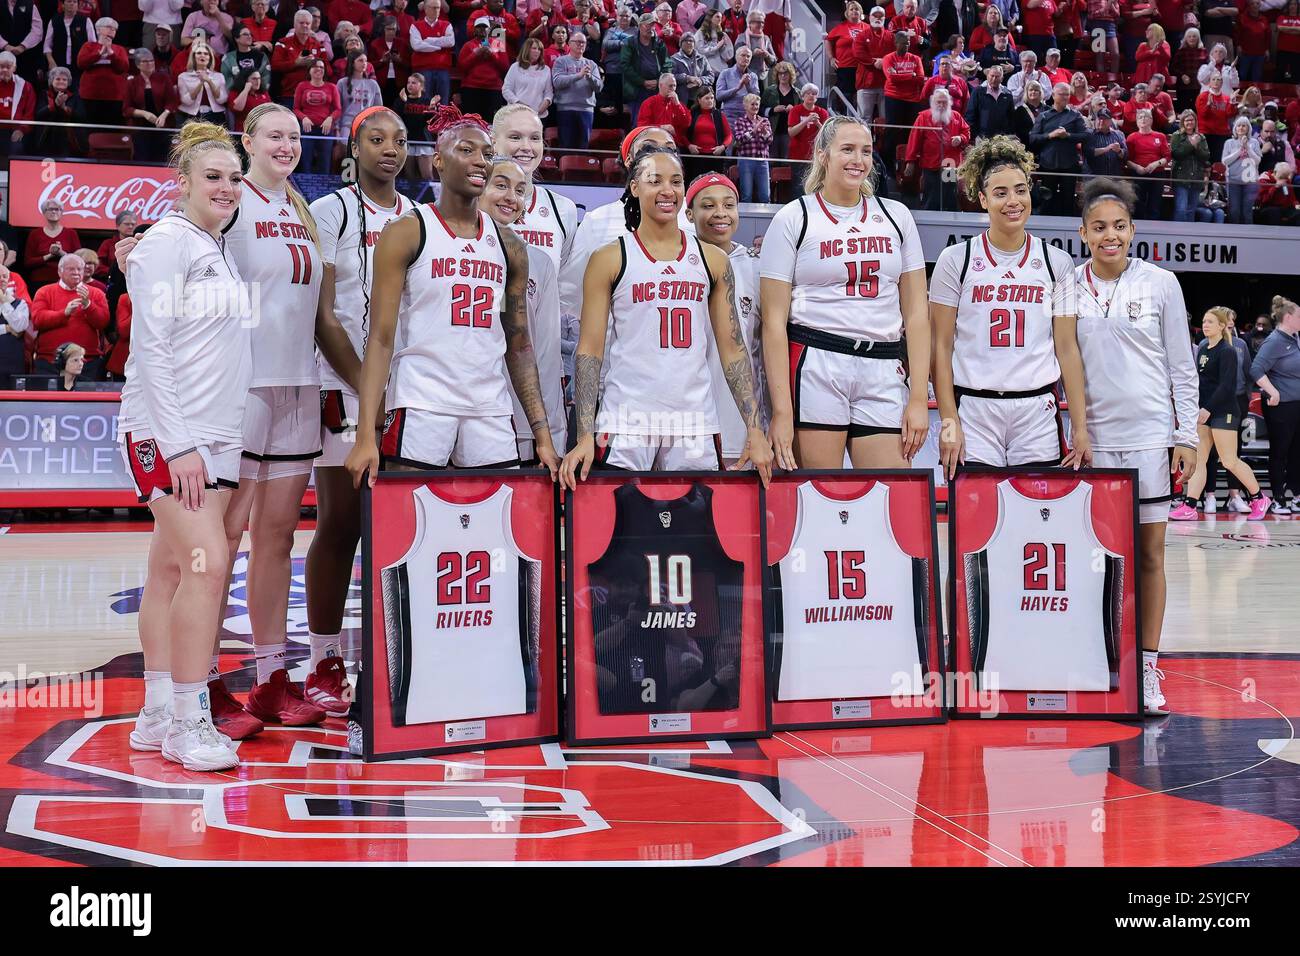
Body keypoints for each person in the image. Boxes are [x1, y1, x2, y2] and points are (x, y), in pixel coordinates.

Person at [118, 122, 251, 772]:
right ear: (183, 184)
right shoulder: (167, 244)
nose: (226, 187)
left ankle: (154, 712)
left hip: (213, 437)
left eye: (233, 178)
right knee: (206, 564)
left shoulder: (213, 247)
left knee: (171, 569)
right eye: (213, 177)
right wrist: (177, 445)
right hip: (168, 436)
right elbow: (151, 349)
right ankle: (189, 722)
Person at [346, 104, 560, 493]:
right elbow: (379, 338)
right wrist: (365, 436)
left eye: (486, 153)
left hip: (489, 406)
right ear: (438, 162)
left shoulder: (510, 246)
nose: (480, 161)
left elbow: (519, 344)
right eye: (466, 150)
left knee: (493, 534)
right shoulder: (407, 232)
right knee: (407, 533)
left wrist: (541, 433)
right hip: (421, 401)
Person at [560, 146, 771, 482]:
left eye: (676, 181)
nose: (667, 190)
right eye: (654, 180)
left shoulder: (713, 260)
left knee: (692, 532)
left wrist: (755, 429)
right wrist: (585, 433)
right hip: (626, 419)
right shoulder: (609, 257)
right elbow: (589, 352)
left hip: (693, 420)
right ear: (634, 187)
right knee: (625, 532)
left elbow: (734, 351)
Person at [1071, 176, 1197, 715]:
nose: (1110, 236)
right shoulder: (1068, 286)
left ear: (1133, 230)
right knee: (1096, 558)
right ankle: (1098, 661)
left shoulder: (1162, 283)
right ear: (1083, 233)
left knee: (1148, 555)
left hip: (1148, 439)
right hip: (1093, 443)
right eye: (1099, 228)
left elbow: (1181, 367)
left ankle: (1146, 668)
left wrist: (1185, 434)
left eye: (1119, 226)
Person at [302, 107, 407, 750]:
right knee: (340, 523)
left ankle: (389, 655)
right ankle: (322, 662)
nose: (389, 150)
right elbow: (323, 313)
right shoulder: (333, 211)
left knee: (395, 530)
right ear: (354, 146)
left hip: (407, 390)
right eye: (376, 139)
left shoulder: (419, 215)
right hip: (344, 386)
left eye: (399, 140)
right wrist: (368, 383)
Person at [759, 115, 929, 471]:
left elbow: (916, 314)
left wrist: (917, 398)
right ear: (823, 154)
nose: (859, 160)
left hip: (883, 364)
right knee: (818, 497)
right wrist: (781, 411)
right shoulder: (794, 218)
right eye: (847, 150)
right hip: (817, 359)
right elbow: (773, 323)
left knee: (888, 496)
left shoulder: (896, 216)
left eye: (866, 151)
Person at [930, 135, 1089, 474]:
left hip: (1036, 410)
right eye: (1000, 193)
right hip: (974, 407)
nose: (1013, 201)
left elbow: (1067, 348)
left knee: (1036, 523)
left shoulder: (1056, 262)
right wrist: (948, 420)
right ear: (982, 198)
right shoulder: (956, 259)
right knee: (976, 522)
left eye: (1020, 190)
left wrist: (1080, 424)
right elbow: (939, 346)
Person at [478, 156, 567, 478]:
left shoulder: (540, 263)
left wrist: (549, 428)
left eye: (520, 190)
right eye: (500, 185)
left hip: (520, 417)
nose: (510, 197)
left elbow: (544, 350)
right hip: (454, 407)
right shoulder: (436, 244)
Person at [682, 172, 767, 465]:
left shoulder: (757, 269)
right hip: (685, 425)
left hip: (739, 426)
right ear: (689, 213)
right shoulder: (675, 264)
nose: (720, 213)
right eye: (708, 205)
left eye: (729, 205)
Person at [1170, 307, 1272, 520]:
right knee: (1198, 459)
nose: (1205, 325)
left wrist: (1207, 408)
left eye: (1210, 322)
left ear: (1222, 326)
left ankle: (1259, 497)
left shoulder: (1227, 351)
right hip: (1205, 412)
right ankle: (1190, 506)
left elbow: (1227, 386)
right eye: (1204, 321)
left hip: (1224, 411)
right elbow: (1201, 384)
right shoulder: (1204, 348)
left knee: (1229, 461)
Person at [1251, 295, 1300, 514]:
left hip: (1297, 404)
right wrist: (1273, 391)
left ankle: (1296, 496)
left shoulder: (1295, 338)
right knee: (1280, 451)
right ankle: (1278, 498)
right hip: (1281, 406)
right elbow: (1255, 370)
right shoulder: (1274, 341)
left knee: (1297, 451)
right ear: (1288, 317)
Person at [30, 253, 108, 378]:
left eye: (79, 269)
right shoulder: (44, 292)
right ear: (60, 272)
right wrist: (64, 313)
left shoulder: (96, 293)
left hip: (87, 362)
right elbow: (38, 319)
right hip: (50, 361)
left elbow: (103, 322)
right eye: (71, 269)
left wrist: (88, 305)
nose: (76, 272)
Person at [905, 87, 970, 210]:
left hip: (950, 163)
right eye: (938, 102)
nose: (941, 105)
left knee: (949, 194)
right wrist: (910, 161)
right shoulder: (923, 117)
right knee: (931, 196)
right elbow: (914, 140)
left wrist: (961, 138)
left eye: (944, 102)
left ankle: (950, 222)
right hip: (931, 164)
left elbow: (966, 131)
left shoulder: (956, 116)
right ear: (933, 102)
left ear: (949, 102)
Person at [1028, 82, 1088, 216]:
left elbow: (1086, 135)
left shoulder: (1075, 115)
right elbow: (1032, 139)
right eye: (1062, 94)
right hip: (1048, 164)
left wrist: (1068, 135)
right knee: (1047, 200)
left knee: (1068, 201)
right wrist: (1050, 135)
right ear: (1054, 96)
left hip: (1069, 164)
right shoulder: (1043, 116)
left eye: (1067, 94)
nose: (1066, 97)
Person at [552, 31, 602, 148]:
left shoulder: (591, 64)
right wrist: (578, 76)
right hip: (565, 109)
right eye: (578, 42)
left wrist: (590, 78)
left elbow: (599, 87)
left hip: (586, 110)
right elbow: (557, 82)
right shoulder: (561, 61)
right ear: (569, 43)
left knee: (583, 147)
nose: (581, 45)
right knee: (566, 147)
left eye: (583, 42)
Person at [1125, 107, 1170, 219]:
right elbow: (1126, 159)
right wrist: (1136, 167)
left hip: (1157, 174)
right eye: (1140, 117)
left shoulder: (1160, 136)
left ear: (1151, 120)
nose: (1143, 119)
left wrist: (1156, 164)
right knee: (1138, 204)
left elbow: (1167, 156)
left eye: (1146, 117)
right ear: (1137, 121)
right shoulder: (1131, 137)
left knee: (1155, 205)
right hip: (1139, 174)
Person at [621, 12, 668, 119]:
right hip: (636, 89)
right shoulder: (629, 43)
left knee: (657, 121)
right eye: (648, 25)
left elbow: (667, 63)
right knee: (638, 122)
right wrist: (642, 82)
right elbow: (625, 66)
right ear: (639, 26)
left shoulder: (659, 43)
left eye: (653, 25)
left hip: (656, 89)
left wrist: (659, 81)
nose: (651, 28)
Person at [851, 5, 892, 124]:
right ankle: (864, 143)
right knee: (864, 119)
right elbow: (858, 53)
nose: (878, 18)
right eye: (875, 15)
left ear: (884, 18)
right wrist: (875, 62)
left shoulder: (891, 36)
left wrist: (884, 61)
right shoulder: (861, 36)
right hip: (865, 84)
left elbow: (895, 54)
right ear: (870, 17)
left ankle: (883, 143)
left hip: (886, 84)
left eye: (881, 16)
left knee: (886, 120)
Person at [1170, 109, 1212, 221]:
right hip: (1181, 177)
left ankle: (1189, 236)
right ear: (1182, 122)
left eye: (1192, 120)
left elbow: (1205, 156)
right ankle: (1177, 234)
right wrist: (1190, 144)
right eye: (1187, 120)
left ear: (1195, 121)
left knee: (1191, 210)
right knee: (1181, 209)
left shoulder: (1201, 137)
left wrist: (1197, 146)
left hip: (1197, 178)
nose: (1189, 122)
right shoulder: (1177, 136)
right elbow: (1176, 154)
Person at [731, 92, 773, 202]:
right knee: (747, 195)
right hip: (746, 161)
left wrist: (764, 132)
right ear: (745, 106)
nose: (755, 107)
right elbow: (739, 140)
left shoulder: (765, 121)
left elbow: (769, 140)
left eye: (757, 104)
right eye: (753, 104)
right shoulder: (740, 121)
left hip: (762, 160)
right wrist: (753, 131)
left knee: (765, 195)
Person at [684, 86, 732, 178]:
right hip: (697, 157)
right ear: (699, 99)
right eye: (707, 98)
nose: (710, 100)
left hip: (715, 157)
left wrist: (722, 147)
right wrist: (689, 145)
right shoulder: (691, 114)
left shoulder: (719, 115)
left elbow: (729, 135)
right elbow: (683, 134)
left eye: (712, 98)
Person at [827, 1, 866, 113]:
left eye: (857, 9)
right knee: (846, 96)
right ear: (847, 13)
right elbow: (828, 40)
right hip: (845, 67)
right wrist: (831, 58)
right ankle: (846, 118)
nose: (854, 11)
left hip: (863, 68)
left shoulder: (867, 28)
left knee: (861, 95)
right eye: (851, 9)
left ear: (861, 12)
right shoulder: (840, 28)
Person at [177, 41, 227, 125]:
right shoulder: (183, 77)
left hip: (215, 116)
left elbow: (222, 99)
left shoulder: (219, 76)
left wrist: (209, 81)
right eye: (199, 53)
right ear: (193, 57)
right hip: (191, 116)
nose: (202, 55)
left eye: (206, 54)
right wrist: (201, 82)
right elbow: (187, 101)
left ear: (210, 58)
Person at [1222, 116, 1261, 224]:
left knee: (1247, 212)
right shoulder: (1229, 143)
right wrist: (1240, 150)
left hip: (1250, 182)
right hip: (1233, 181)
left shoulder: (1255, 142)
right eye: (1238, 125)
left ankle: (1248, 237)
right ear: (1235, 128)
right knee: (1234, 211)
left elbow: (1257, 161)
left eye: (1244, 125)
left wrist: (1247, 147)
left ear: (1248, 128)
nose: (1241, 128)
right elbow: (1225, 161)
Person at [505, 35, 553, 116]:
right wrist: (518, 104)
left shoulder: (546, 69)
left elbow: (548, 92)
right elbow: (506, 89)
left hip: (538, 115)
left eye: (539, 49)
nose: (537, 51)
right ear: (527, 49)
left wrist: (546, 103)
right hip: (516, 113)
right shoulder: (515, 67)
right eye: (534, 48)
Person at [0, 261, 31, 385]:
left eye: (5, 276)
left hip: (13, 362)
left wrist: (5, 301)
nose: (2, 279)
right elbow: (13, 327)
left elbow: (19, 327)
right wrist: (6, 328)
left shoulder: (20, 303)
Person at [966, 64, 1014, 140]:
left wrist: (1008, 134)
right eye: (992, 76)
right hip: (982, 137)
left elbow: (1011, 117)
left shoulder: (1008, 94)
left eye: (997, 77)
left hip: (1002, 138)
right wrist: (975, 136)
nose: (994, 79)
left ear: (1002, 79)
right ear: (987, 76)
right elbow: (970, 115)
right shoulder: (978, 92)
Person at [637, 71, 690, 142]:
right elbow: (642, 127)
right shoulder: (649, 103)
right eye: (670, 86)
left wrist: (678, 105)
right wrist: (661, 127)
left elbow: (686, 124)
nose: (673, 89)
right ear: (660, 85)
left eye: (675, 86)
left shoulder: (678, 104)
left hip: (672, 143)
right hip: (653, 142)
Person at [761, 59, 798, 158]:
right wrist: (773, 110)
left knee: (787, 161)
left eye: (785, 73)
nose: (783, 76)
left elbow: (802, 112)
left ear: (790, 75)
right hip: (772, 130)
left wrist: (794, 110)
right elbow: (760, 109)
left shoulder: (797, 92)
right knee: (772, 161)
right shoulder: (769, 91)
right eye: (780, 74)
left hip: (789, 132)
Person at [717, 43, 758, 127]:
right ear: (736, 57)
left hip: (747, 115)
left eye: (748, 56)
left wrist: (748, 86)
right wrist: (737, 88)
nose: (746, 58)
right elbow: (719, 96)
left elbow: (757, 98)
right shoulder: (725, 73)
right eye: (743, 55)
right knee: (731, 140)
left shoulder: (753, 76)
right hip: (729, 114)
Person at [1170, 25, 1207, 111]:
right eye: (1189, 36)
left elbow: (1207, 67)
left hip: (1199, 86)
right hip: (1184, 86)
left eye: (1194, 36)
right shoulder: (1180, 51)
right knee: (1184, 109)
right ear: (1186, 38)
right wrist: (1182, 75)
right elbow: (1173, 68)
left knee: (1197, 109)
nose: (1192, 38)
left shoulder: (1203, 51)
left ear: (1198, 38)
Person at [1085, 108, 1128, 175]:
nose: (1101, 121)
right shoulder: (1089, 134)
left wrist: (1119, 151)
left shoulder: (1119, 134)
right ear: (1095, 120)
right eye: (1099, 118)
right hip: (1094, 178)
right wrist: (1106, 149)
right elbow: (1088, 153)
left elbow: (1125, 156)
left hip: (1114, 177)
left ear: (1110, 121)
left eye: (1105, 119)